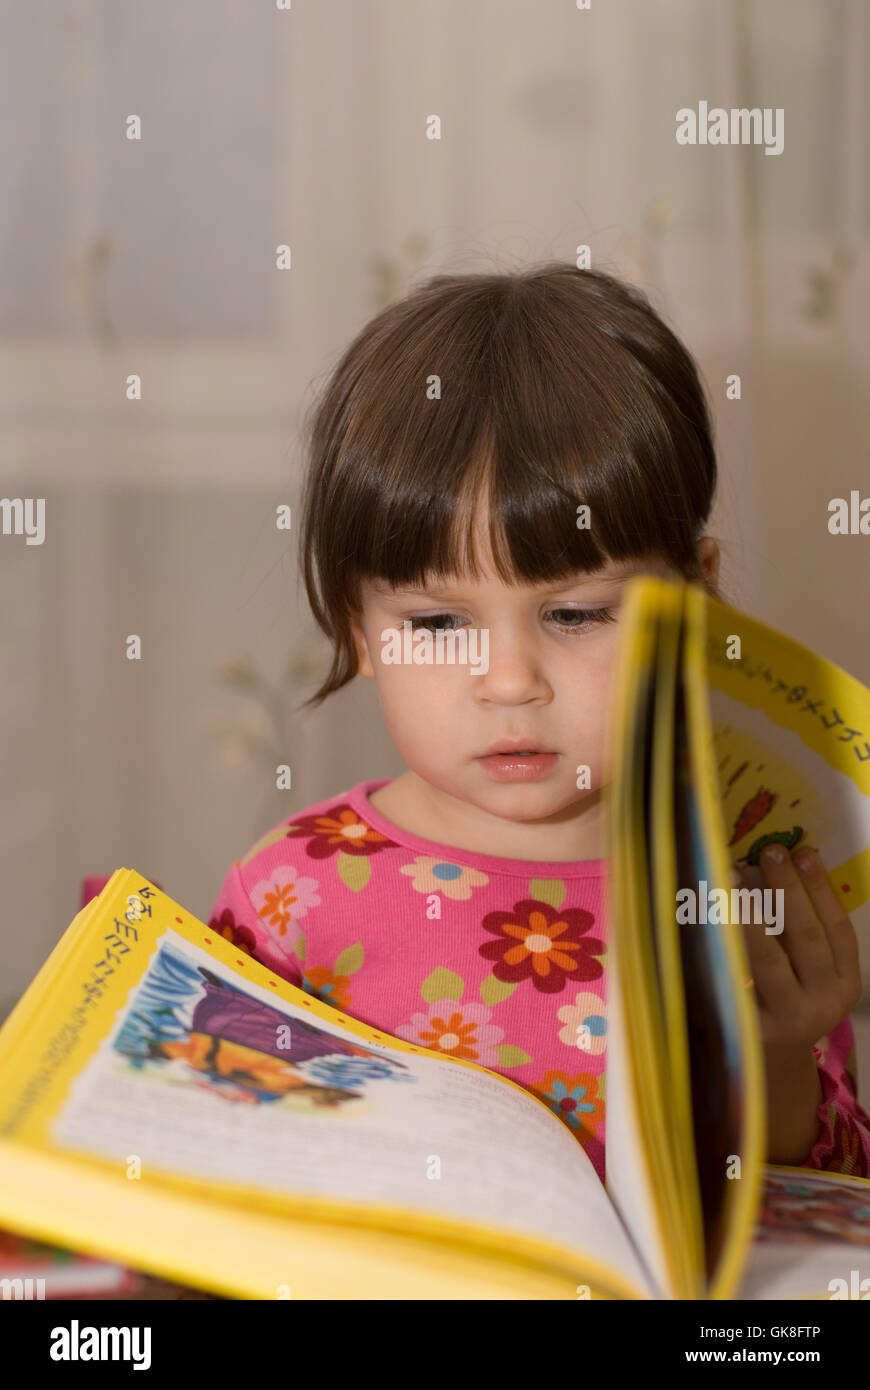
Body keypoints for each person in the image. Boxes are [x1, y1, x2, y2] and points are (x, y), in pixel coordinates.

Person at [209, 263, 870, 1186]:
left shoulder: (738, 891)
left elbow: (818, 1206)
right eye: (438, 624)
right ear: (357, 629)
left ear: (697, 604)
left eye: (578, 614)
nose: (510, 683)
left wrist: (784, 1051)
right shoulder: (290, 896)